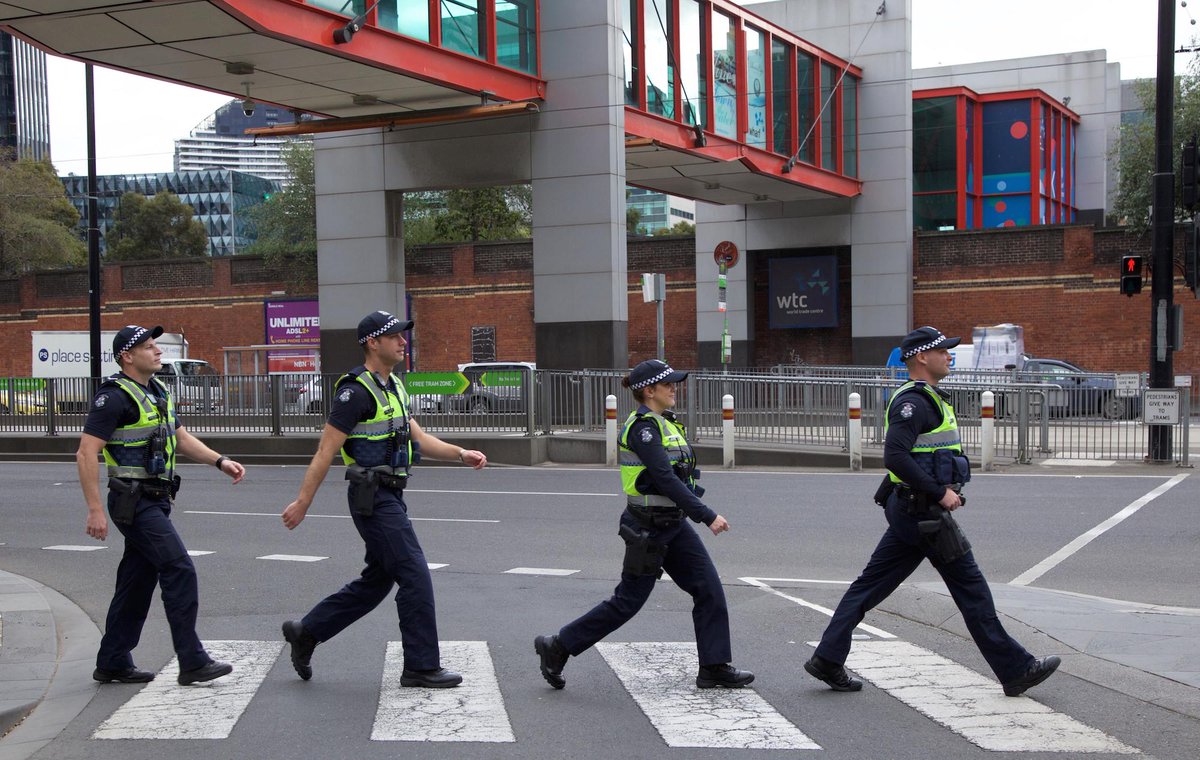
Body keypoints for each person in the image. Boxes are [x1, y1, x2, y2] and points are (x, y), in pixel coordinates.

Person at [804, 326, 1059, 697]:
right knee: (972, 591)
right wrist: (941, 492)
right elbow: (895, 456)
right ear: (922, 357)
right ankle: (1017, 669)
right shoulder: (915, 403)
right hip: (924, 513)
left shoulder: (930, 398)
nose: (949, 356)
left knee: (868, 587)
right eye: (943, 350)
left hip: (912, 513)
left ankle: (827, 658)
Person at [279, 311, 487, 688]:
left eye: (403, 335)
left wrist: (460, 453)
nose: (402, 342)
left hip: (390, 494)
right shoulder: (353, 392)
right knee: (415, 575)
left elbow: (420, 439)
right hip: (372, 498)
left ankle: (306, 632)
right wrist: (303, 502)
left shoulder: (393, 387)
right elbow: (326, 450)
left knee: (377, 582)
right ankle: (420, 666)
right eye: (394, 336)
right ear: (373, 342)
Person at [534, 359, 754, 690]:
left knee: (709, 589)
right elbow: (664, 478)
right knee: (628, 601)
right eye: (668, 385)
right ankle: (558, 646)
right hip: (648, 529)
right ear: (650, 391)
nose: (674, 388)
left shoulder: (664, 423)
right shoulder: (643, 429)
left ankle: (714, 666)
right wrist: (706, 515)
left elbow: (680, 474)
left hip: (673, 525)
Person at [77, 325, 244, 686]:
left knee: (137, 581)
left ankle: (113, 661)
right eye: (148, 347)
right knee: (178, 568)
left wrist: (220, 461)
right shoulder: (114, 397)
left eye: (155, 346)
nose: (157, 352)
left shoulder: (157, 391)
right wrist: (94, 510)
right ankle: (192, 659)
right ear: (127, 356)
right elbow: (86, 452)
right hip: (133, 501)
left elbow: (180, 438)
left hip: (157, 498)